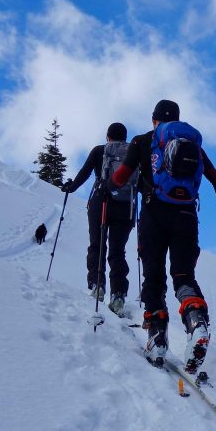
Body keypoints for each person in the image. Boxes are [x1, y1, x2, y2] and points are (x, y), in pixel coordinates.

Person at [108, 99, 216, 370]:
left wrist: (111, 185)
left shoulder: (143, 141)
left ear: (154, 120)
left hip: (153, 215)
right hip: (186, 217)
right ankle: (197, 323)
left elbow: (121, 178)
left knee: (154, 277)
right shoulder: (193, 146)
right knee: (183, 275)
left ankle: (157, 338)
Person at [62, 122, 138, 316]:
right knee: (117, 250)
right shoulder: (133, 153)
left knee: (97, 244)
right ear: (125, 136)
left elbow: (85, 173)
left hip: (101, 202)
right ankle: (118, 294)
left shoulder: (100, 151)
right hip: (126, 206)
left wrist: (71, 187)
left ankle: (97, 286)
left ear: (108, 137)